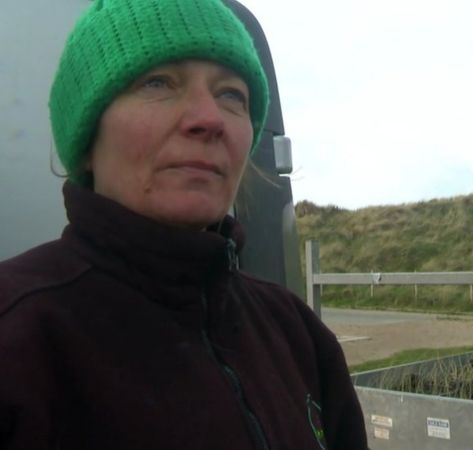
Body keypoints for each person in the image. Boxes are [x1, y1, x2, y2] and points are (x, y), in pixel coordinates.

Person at [0, 0, 368, 449]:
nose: (209, 119)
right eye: (157, 82)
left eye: (231, 94)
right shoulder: (18, 334)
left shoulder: (298, 335)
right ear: (85, 141)